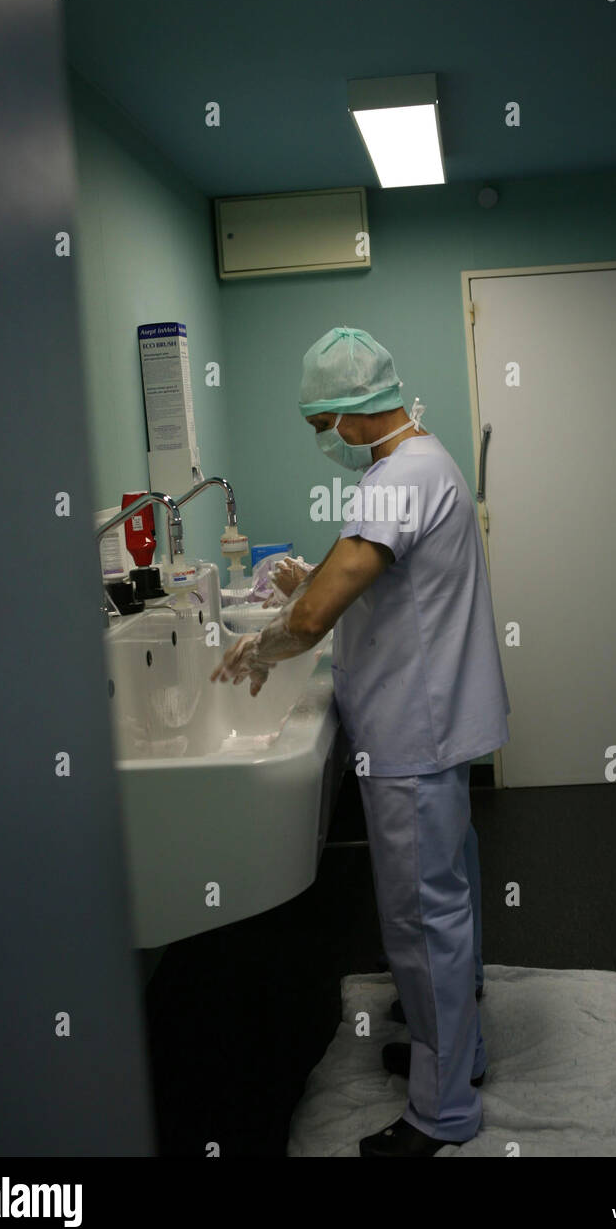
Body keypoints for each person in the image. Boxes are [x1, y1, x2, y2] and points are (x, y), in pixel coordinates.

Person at [211, 326, 511, 1157]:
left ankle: (443, 1112)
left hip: (415, 731)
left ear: (347, 415)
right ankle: (457, 1055)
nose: (322, 442)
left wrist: (263, 641)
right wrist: (311, 581)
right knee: (446, 908)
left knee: (422, 920)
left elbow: (312, 624)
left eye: (320, 425)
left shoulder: (395, 479)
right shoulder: (424, 461)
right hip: (435, 722)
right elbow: (389, 586)